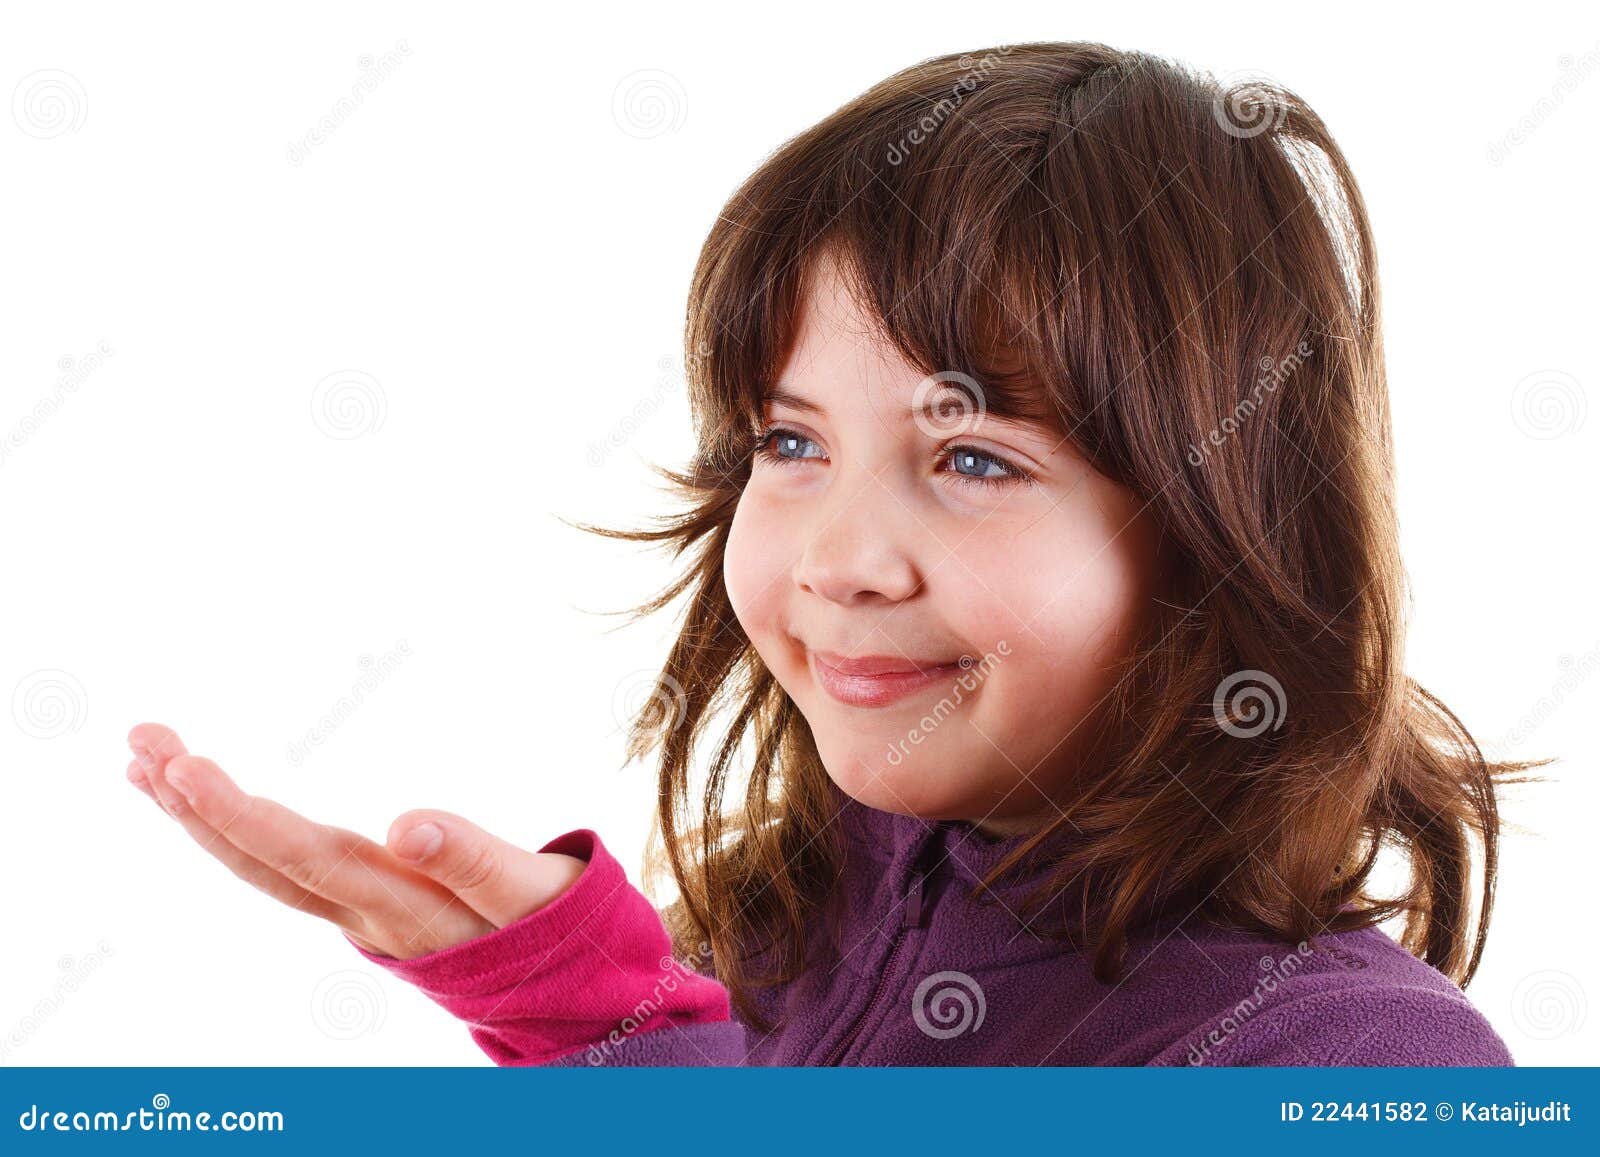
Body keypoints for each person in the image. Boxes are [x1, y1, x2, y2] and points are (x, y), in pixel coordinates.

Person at [125, 40, 1547, 1066]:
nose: (841, 559)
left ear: (1217, 535)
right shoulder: (747, 953)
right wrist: (596, 1015)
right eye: (791, 445)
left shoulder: (1349, 1065)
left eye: (974, 459)